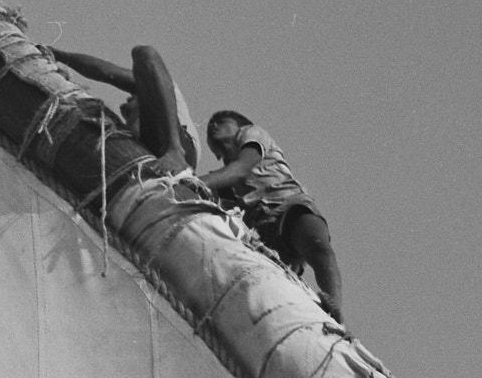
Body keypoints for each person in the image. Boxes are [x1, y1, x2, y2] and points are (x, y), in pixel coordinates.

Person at [203, 109, 345, 321]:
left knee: (316, 245)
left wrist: (195, 181)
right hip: (263, 233)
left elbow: (241, 169)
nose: (213, 126)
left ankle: (334, 304)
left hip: (288, 205)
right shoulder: (224, 180)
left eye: (222, 122)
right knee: (273, 287)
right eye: (211, 126)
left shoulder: (252, 134)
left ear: (241, 126)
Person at [47, 44, 196, 175]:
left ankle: (175, 150)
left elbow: (107, 73)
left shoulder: (159, 88)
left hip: (179, 146)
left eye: (131, 99)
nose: (124, 103)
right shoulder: (143, 129)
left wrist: (59, 55)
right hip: (150, 149)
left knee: (144, 53)